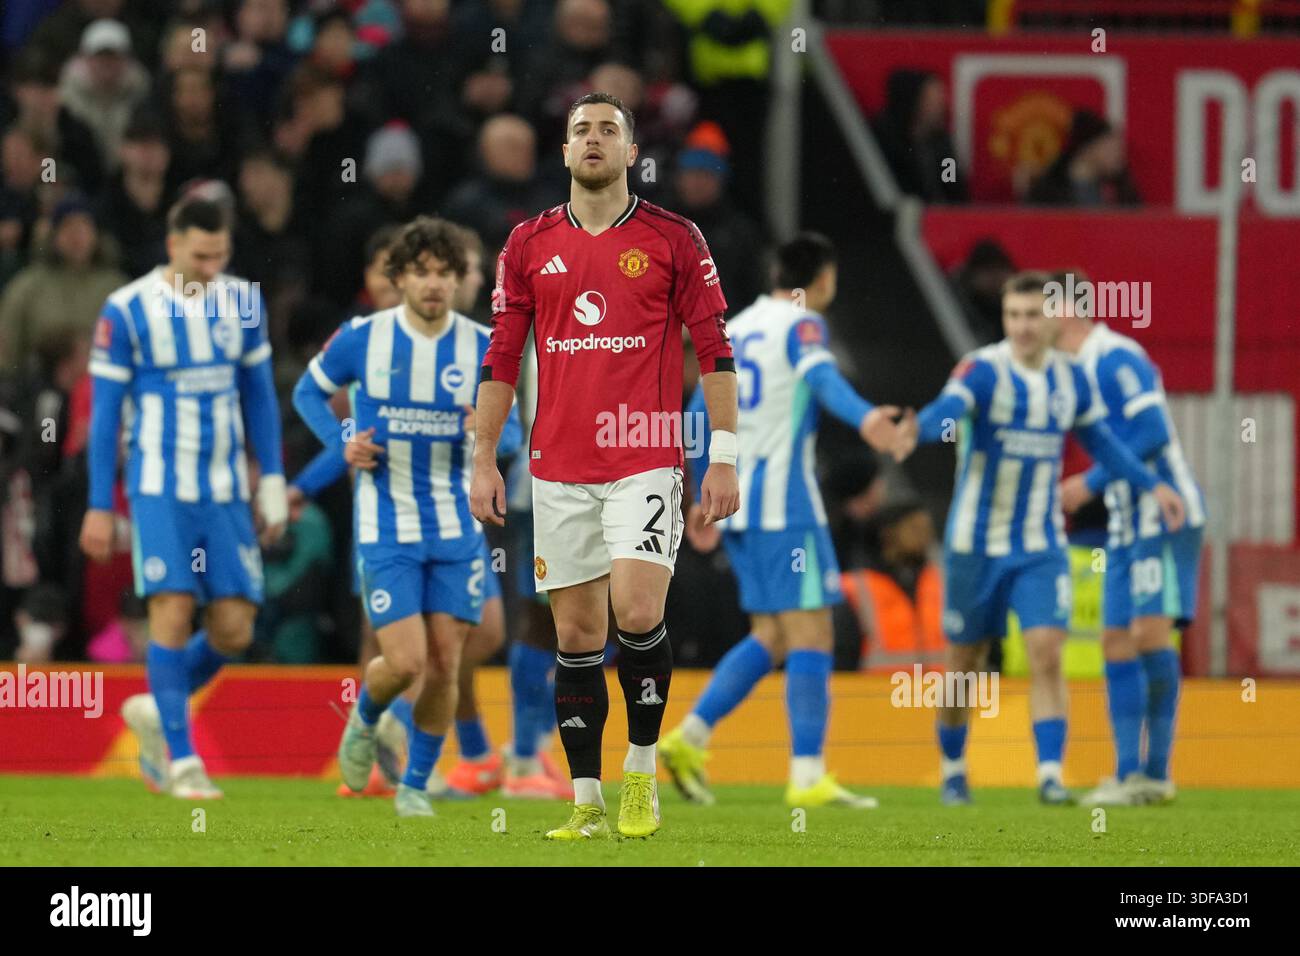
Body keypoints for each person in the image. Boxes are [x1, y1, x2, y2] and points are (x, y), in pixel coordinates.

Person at [470, 92, 738, 839]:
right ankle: (586, 803)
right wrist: (483, 458)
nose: (593, 139)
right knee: (579, 637)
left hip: (646, 454)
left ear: (630, 153)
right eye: (580, 130)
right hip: (557, 467)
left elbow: (715, 350)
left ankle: (641, 777)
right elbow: (499, 357)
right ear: (564, 153)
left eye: (608, 130)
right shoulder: (525, 244)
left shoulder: (674, 237)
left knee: (640, 611)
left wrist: (724, 457)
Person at [891, 270, 1185, 806]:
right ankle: (954, 766)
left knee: (1047, 651)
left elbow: (1107, 445)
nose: (1023, 327)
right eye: (1013, 316)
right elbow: (947, 412)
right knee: (965, 662)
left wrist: (1153, 484)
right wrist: (918, 428)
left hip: (1039, 544)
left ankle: (1050, 773)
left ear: (1053, 318)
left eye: (1032, 315)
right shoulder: (983, 370)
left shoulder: (1071, 379)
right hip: (974, 546)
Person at [657, 233, 898, 808]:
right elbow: (821, 378)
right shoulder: (802, 324)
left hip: (737, 506)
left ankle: (689, 738)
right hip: (786, 507)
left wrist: (698, 492)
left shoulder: (732, 329)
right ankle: (808, 774)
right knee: (813, 631)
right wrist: (868, 420)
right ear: (825, 279)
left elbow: (696, 413)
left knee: (772, 635)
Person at [79, 195, 288, 800]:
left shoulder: (243, 302)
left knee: (234, 629)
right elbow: (104, 416)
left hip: (224, 490)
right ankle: (183, 759)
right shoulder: (126, 310)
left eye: (219, 255)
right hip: (159, 488)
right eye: (200, 255)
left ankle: (155, 705)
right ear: (173, 245)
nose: (209, 267)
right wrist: (99, 501)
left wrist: (271, 478)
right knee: (170, 608)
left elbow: (260, 397)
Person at [293, 216, 501, 818]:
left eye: (444, 273)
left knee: (445, 664)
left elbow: (513, 427)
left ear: (459, 280)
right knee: (405, 661)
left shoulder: (484, 347)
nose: (433, 284)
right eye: (421, 272)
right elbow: (308, 392)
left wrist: (485, 430)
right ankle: (364, 719)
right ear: (399, 277)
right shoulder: (363, 337)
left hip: (458, 527)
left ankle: (413, 785)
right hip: (387, 525)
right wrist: (345, 438)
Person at [1053, 276, 1206, 806]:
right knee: (1114, 640)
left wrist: (1087, 483)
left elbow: (1154, 432)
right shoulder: (1070, 372)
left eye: (1041, 310)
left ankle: (1157, 774)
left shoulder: (1117, 356)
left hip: (1163, 514)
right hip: (1122, 524)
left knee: (1147, 634)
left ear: (1068, 311)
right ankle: (1126, 774)